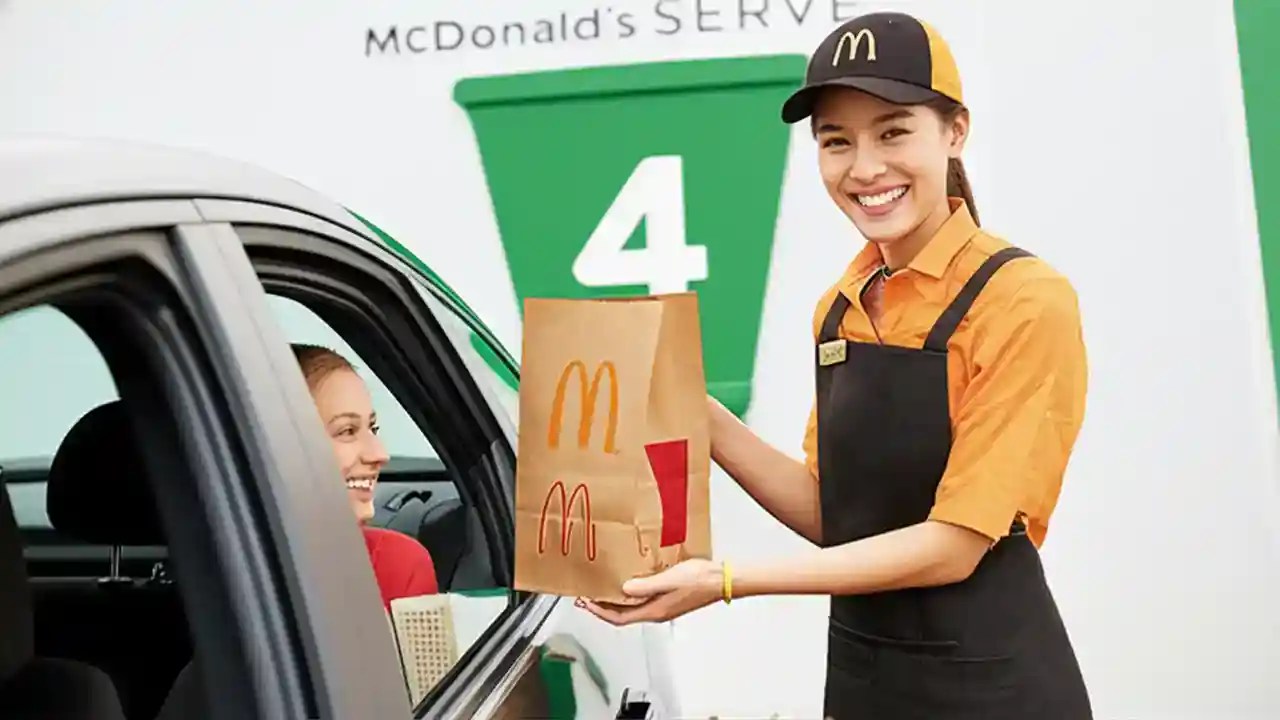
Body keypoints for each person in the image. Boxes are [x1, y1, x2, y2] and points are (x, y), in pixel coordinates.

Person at [580, 11, 1092, 719]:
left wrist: (728, 581)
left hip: (992, 686)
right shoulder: (841, 307)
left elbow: (954, 546)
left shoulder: (1023, 300)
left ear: (954, 132)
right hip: (863, 679)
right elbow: (837, 517)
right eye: (836, 141)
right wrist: (699, 414)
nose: (865, 168)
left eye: (893, 132)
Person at [292, 343, 438, 609]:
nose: (379, 454)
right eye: (347, 431)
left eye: (373, 428)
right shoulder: (392, 564)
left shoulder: (393, 565)